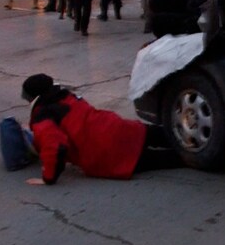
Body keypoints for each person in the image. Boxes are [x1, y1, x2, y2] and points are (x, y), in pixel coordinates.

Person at [20, 74, 179, 185]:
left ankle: (197, 159)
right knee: (169, 135)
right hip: (117, 127)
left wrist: (48, 177)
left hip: (104, 152)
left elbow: (55, 145)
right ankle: (198, 144)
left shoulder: (42, 114)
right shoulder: (66, 96)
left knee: (166, 158)